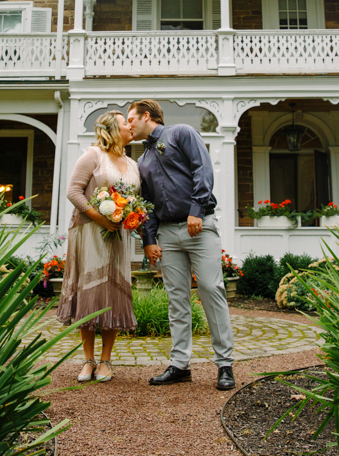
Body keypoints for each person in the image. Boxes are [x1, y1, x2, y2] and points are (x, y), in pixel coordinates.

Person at [127, 99, 236, 391]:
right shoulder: (142, 160)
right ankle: (180, 365)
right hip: (167, 233)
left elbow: (202, 169)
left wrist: (196, 210)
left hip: (199, 228)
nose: (128, 126)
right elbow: (146, 203)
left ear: (146, 116)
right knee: (176, 298)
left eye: (131, 120)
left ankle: (224, 364)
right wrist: (148, 240)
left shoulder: (181, 133)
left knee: (212, 290)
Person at [57, 111, 139, 383]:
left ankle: (106, 360)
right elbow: (73, 192)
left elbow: (134, 200)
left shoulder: (133, 163)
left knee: (113, 293)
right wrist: (100, 218)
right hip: (91, 232)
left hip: (118, 237)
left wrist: (130, 216)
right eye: (124, 122)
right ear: (112, 130)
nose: (130, 125)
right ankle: (88, 360)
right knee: (91, 293)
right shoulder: (93, 155)